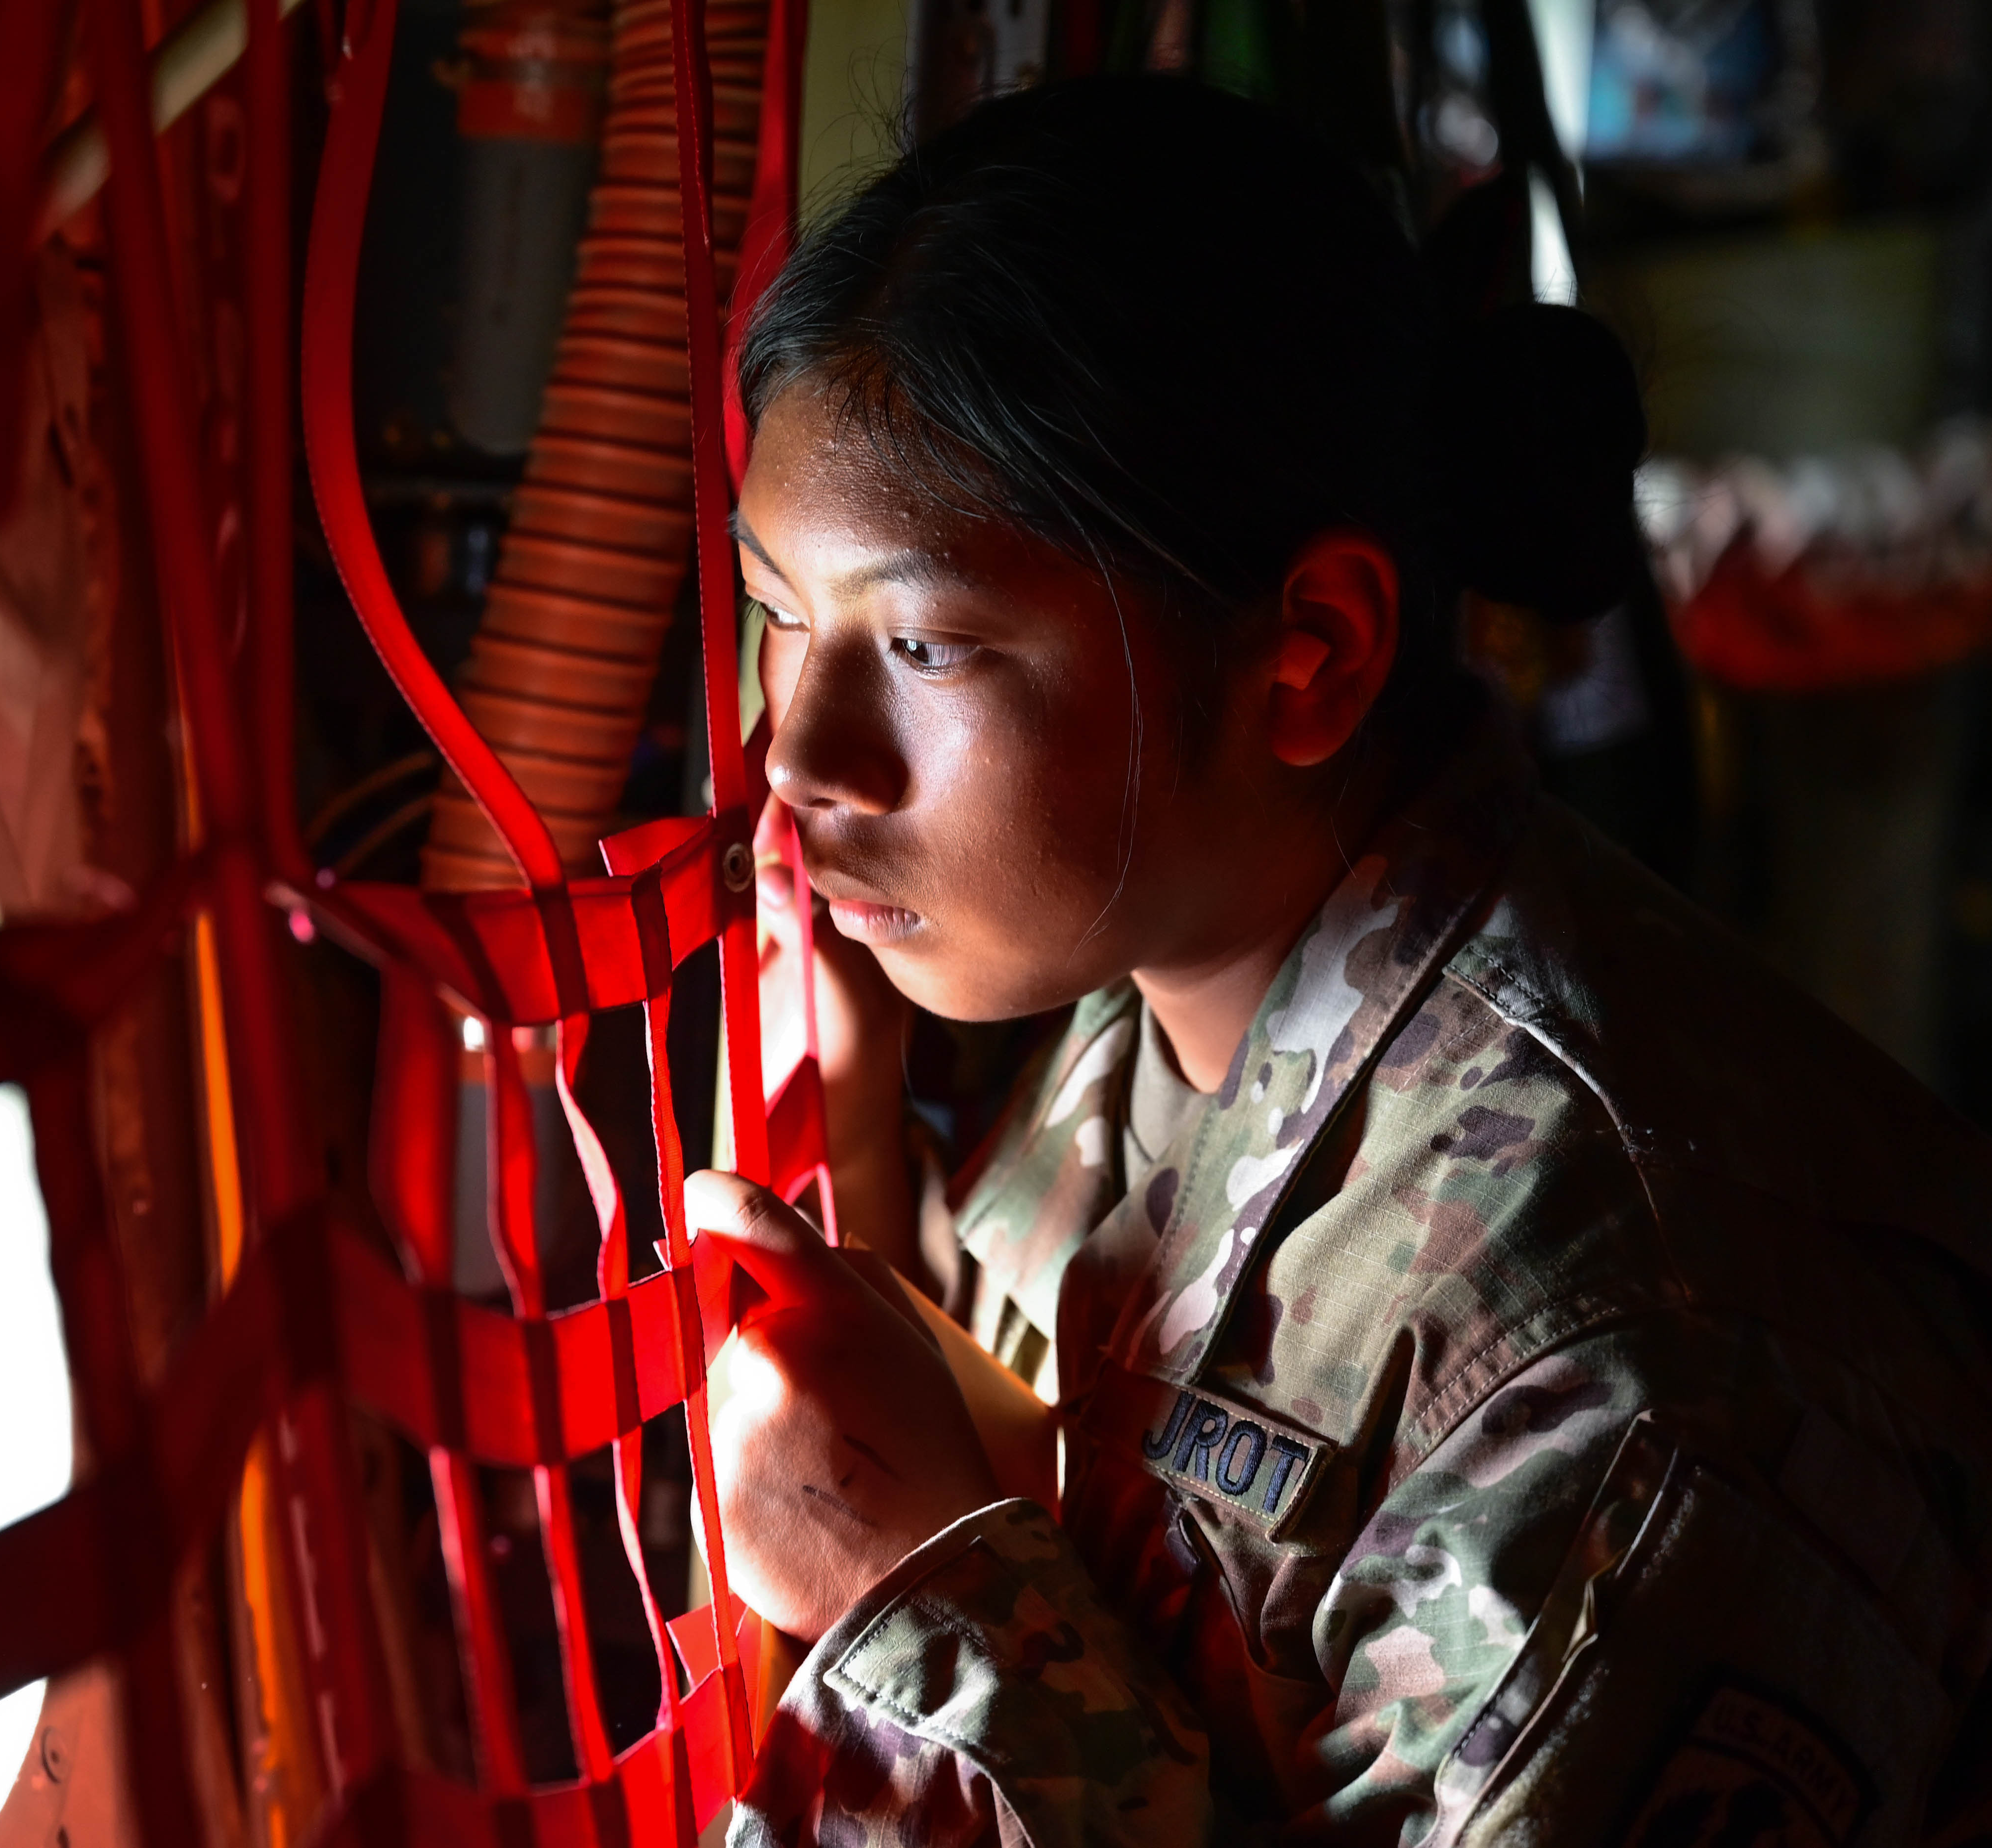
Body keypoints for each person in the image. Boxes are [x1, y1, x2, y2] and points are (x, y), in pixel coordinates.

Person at [686, 76, 1992, 1845]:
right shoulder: (1173, 971)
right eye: (782, 615)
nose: (796, 751)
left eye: (921, 639)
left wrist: (915, 1598)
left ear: (1305, 651)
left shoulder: (1619, 1356)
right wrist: (855, 1159)